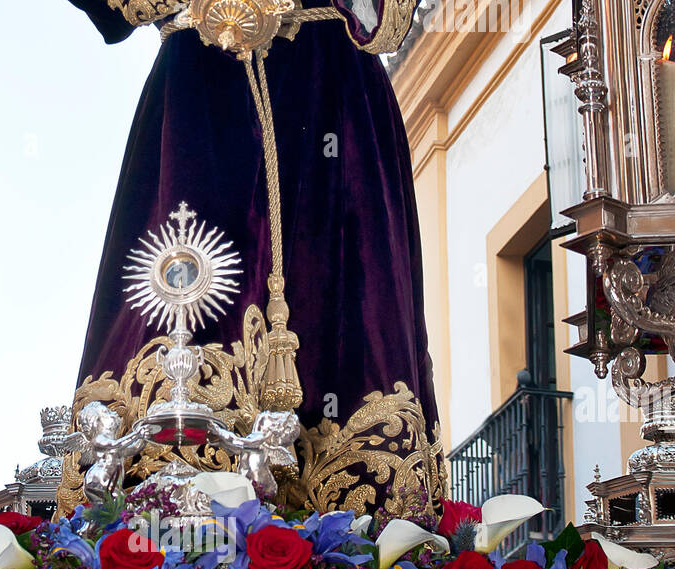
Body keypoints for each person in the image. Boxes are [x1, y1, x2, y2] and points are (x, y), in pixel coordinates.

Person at [64, 0, 445, 518]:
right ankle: (164, 533)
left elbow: (385, 22)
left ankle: (358, 558)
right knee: (180, 311)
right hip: (201, 103)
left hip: (328, 95)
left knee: (344, 317)